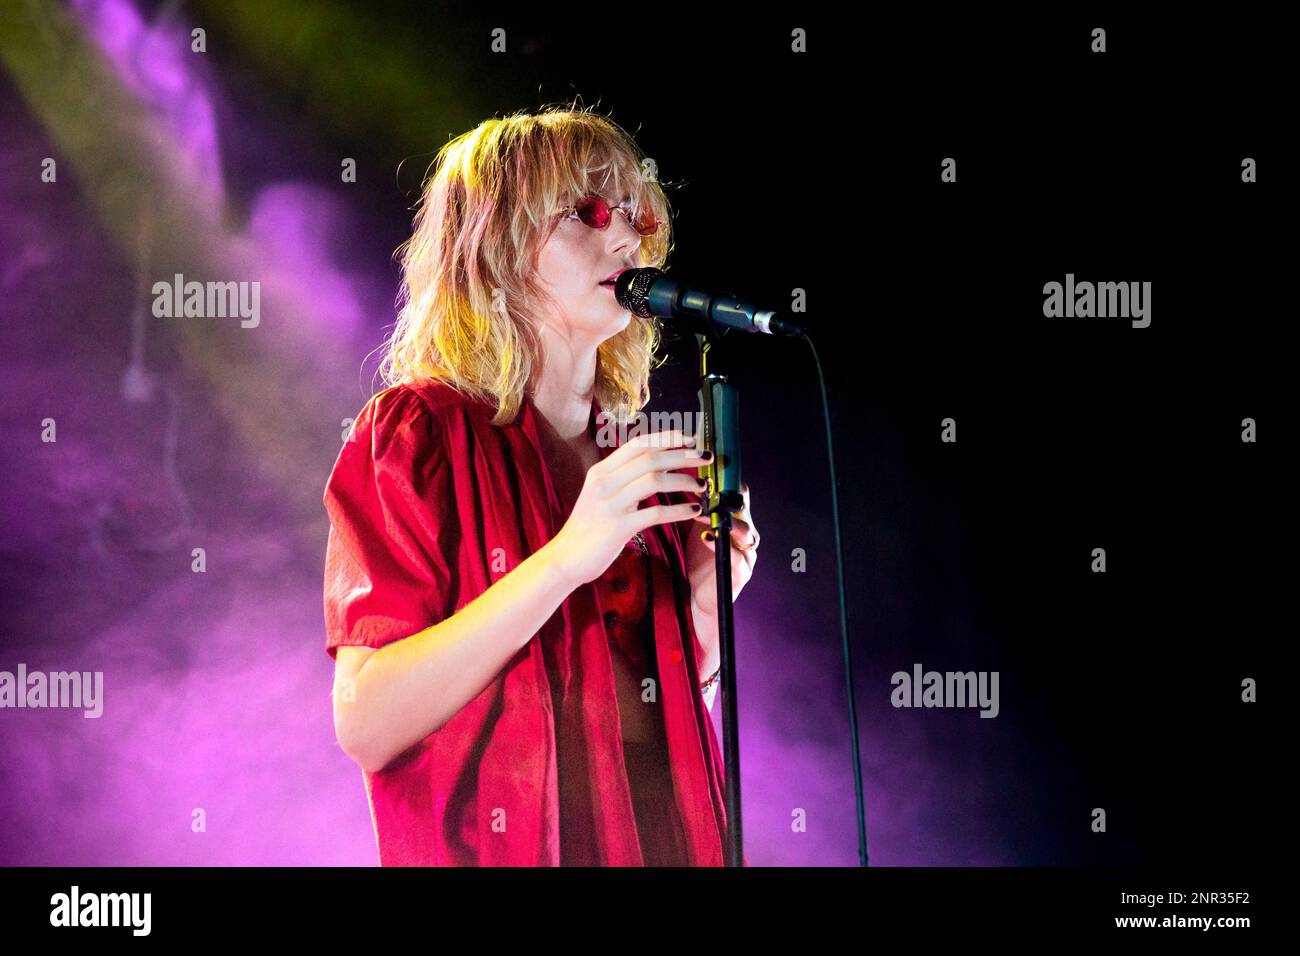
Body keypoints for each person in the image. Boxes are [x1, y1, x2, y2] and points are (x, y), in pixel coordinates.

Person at [322, 106, 759, 865]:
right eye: (587, 212)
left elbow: (644, 733)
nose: (626, 240)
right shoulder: (419, 432)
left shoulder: (630, 457)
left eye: (637, 216)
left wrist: (702, 616)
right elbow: (366, 723)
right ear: (496, 245)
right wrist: (564, 560)